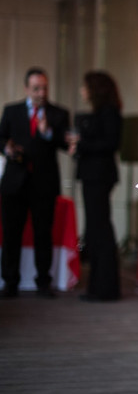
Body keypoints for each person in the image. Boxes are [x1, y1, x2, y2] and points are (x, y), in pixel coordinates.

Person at [0, 67, 70, 298]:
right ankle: (10, 281)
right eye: (36, 88)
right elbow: (1, 138)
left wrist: (47, 132)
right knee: (11, 234)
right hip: (15, 183)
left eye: (44, 88)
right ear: (26, 88)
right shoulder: (11, 111)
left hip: (44, 184)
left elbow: (65, 144)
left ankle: (43, 282)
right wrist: (7, 149)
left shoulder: (58, 113)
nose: (41, 93)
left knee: (43, 234)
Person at [67, 71, 123, 302]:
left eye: (85, 86)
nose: (82, 91)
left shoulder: (109, 112)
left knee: (100, 230)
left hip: (99, 177)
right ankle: (98, 286)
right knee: (95, 230)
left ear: (95, 89)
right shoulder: (101, 113)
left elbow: (110, 143)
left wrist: (81, 144)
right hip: (93, 176)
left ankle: (105, 288)